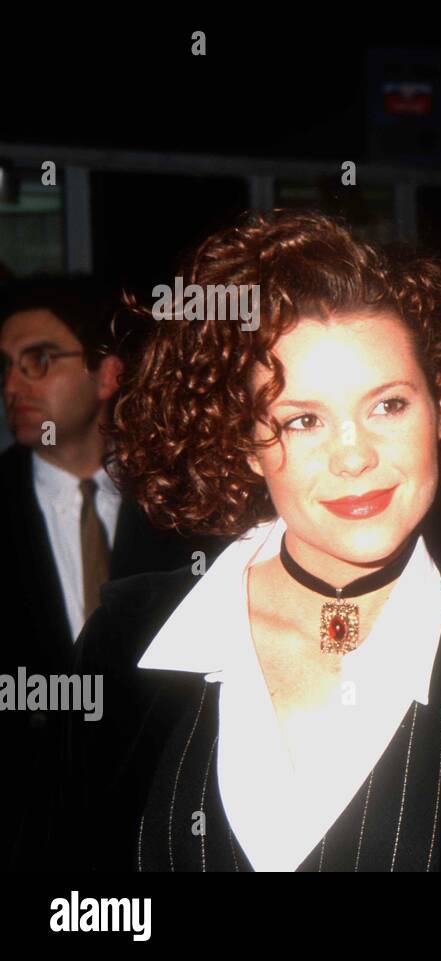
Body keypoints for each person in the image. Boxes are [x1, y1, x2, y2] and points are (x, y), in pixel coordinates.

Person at [58, 210, 441, 871]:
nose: (354, 457)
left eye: (388, 405)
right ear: (246, 444)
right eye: (304, 419)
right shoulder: (128, 640)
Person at [0, 275, 224, 870]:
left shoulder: (183, 506)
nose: (13, 385)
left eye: (39, 361)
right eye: (6, 367)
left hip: (161, 828)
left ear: (107, 375)